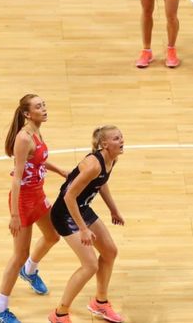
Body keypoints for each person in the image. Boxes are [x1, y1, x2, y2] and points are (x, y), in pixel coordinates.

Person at [0, 95, 68, 323]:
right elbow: (16, 179)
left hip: (38, 195)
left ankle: (30, 271)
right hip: (24, 201)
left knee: (52, 236)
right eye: (38, 107)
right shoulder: (24, 137)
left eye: (44, 104)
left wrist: (60, 171)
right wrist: (14, 214)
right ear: (27, 113)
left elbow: (38, 160)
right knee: (19, 254)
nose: (44, 109)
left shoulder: (36, 130)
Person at [48, 126, 126, 323]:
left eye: (121, 137)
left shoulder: (111, 159)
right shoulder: (93, 164)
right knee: (90, 265)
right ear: (105, 144)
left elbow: (101, 183)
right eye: (116, 138)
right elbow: (68, 195)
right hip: (64, 212)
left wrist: (113, 209)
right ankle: (59, 314)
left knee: (109, 251)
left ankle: (100, 303)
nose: (122, 140)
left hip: (81, 208)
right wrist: (83, 228)